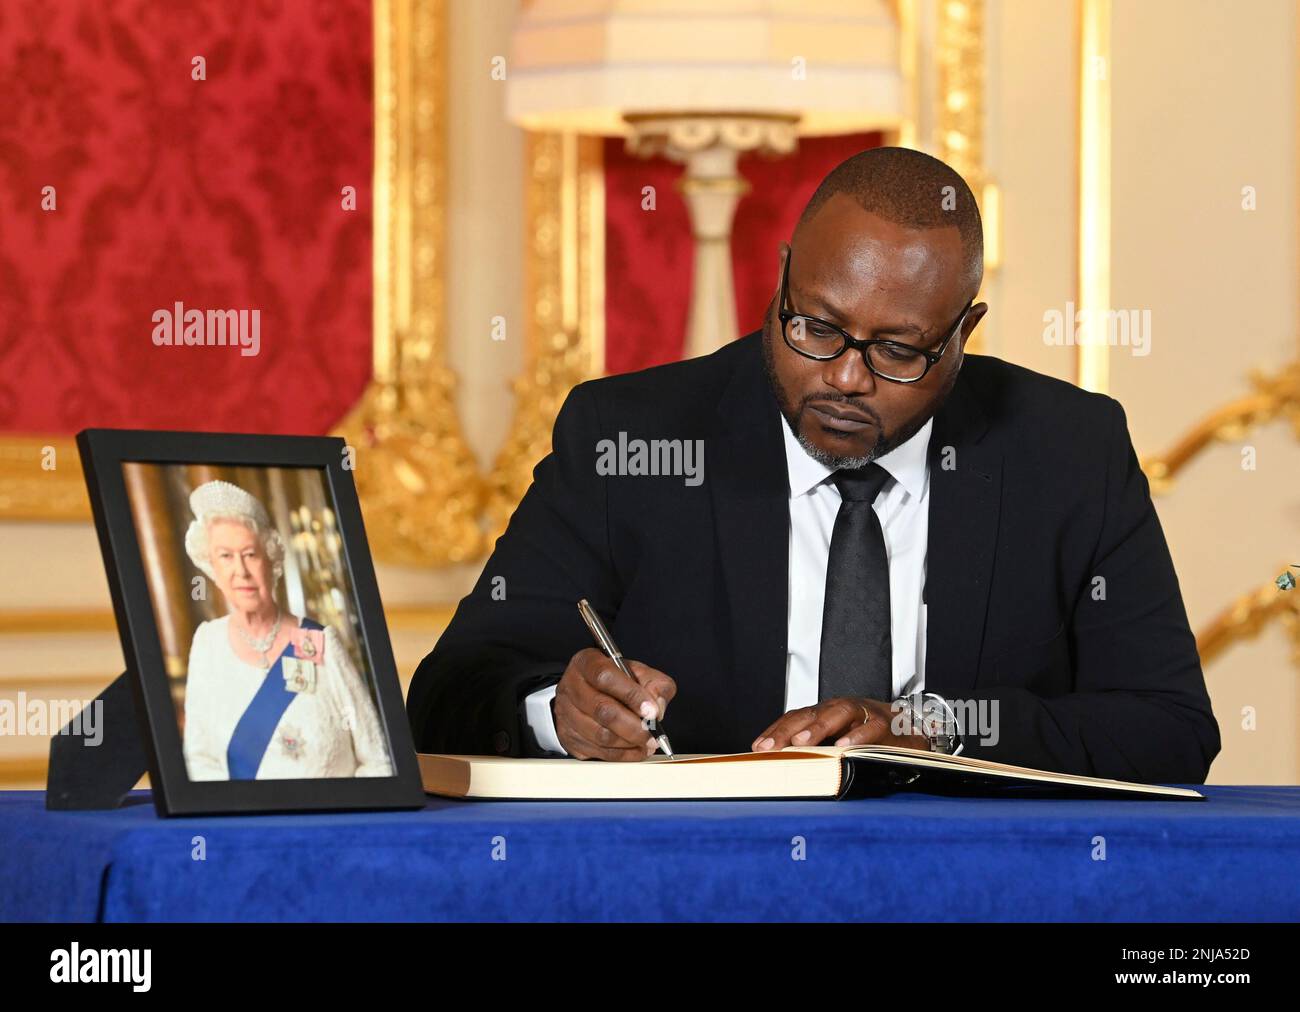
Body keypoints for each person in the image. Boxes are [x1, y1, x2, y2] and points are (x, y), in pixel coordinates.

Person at [408, 147, 1219, 783]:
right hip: (694, 886)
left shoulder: (1069, 449)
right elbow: (448, 693)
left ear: (963, 333)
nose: (844, 377)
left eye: (898, 350)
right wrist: (558, 712)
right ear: (786, 273)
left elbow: (1169, 727)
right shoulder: (627, 438)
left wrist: (933, 730)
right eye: (817, 327)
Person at [180, 479, 393, 780]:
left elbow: (378, 761)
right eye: (226, 556)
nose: (240, 571)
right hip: (244, 825)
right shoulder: (207, 644)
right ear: (212, 567)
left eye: (250, 554)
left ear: (271, 560)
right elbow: (199, 762)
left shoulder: (320, 642)